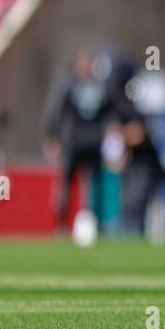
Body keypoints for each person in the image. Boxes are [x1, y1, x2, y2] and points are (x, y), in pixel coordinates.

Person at [45, 50, 116, 231]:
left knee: (97, 186)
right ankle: (61, 224)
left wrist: (112, 139)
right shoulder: (69, 86)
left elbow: (111, 115)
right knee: (67, 185)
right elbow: (57, 113)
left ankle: (97, 224)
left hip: (94, 143)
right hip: (73, 142)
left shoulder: (102, 88)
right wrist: (52, 137)